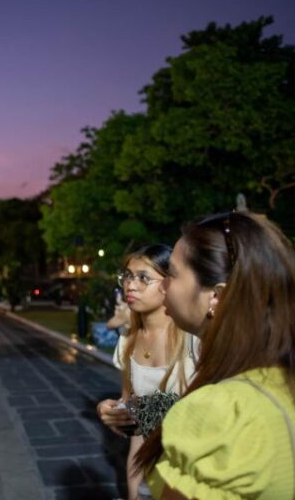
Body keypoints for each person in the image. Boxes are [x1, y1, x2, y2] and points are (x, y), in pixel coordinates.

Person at [135, 212, 295, 498]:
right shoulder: (279, 380)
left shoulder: (220, 411)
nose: (161, 286)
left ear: (216, 297)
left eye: (170, 274)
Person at [96, 244, 195, 500]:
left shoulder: (194, 339)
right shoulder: (128, 341)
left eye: (143, 278)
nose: (131, 284)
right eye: (128, 276)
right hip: (150, 476)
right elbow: (137, 432)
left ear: (169, 283)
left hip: (193, 479)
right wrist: (114, 412)